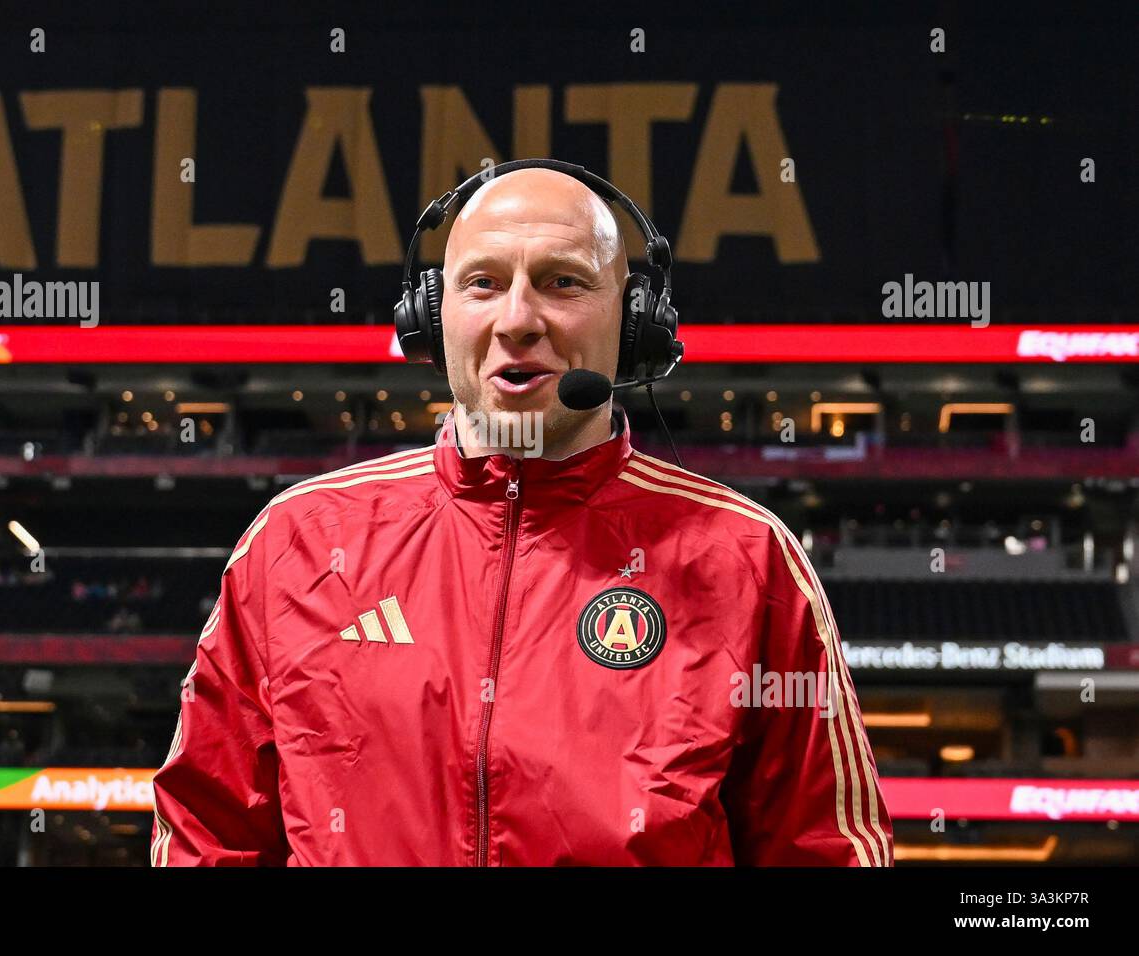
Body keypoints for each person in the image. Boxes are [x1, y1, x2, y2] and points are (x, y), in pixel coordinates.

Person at [151, 160, 893, 866]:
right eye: (482, 283)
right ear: (432, 316)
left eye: (562, 282)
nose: (517, 319)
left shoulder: (745, 557)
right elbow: (207, 833)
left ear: (634, 322)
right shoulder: (300, 544)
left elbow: (824, 846)